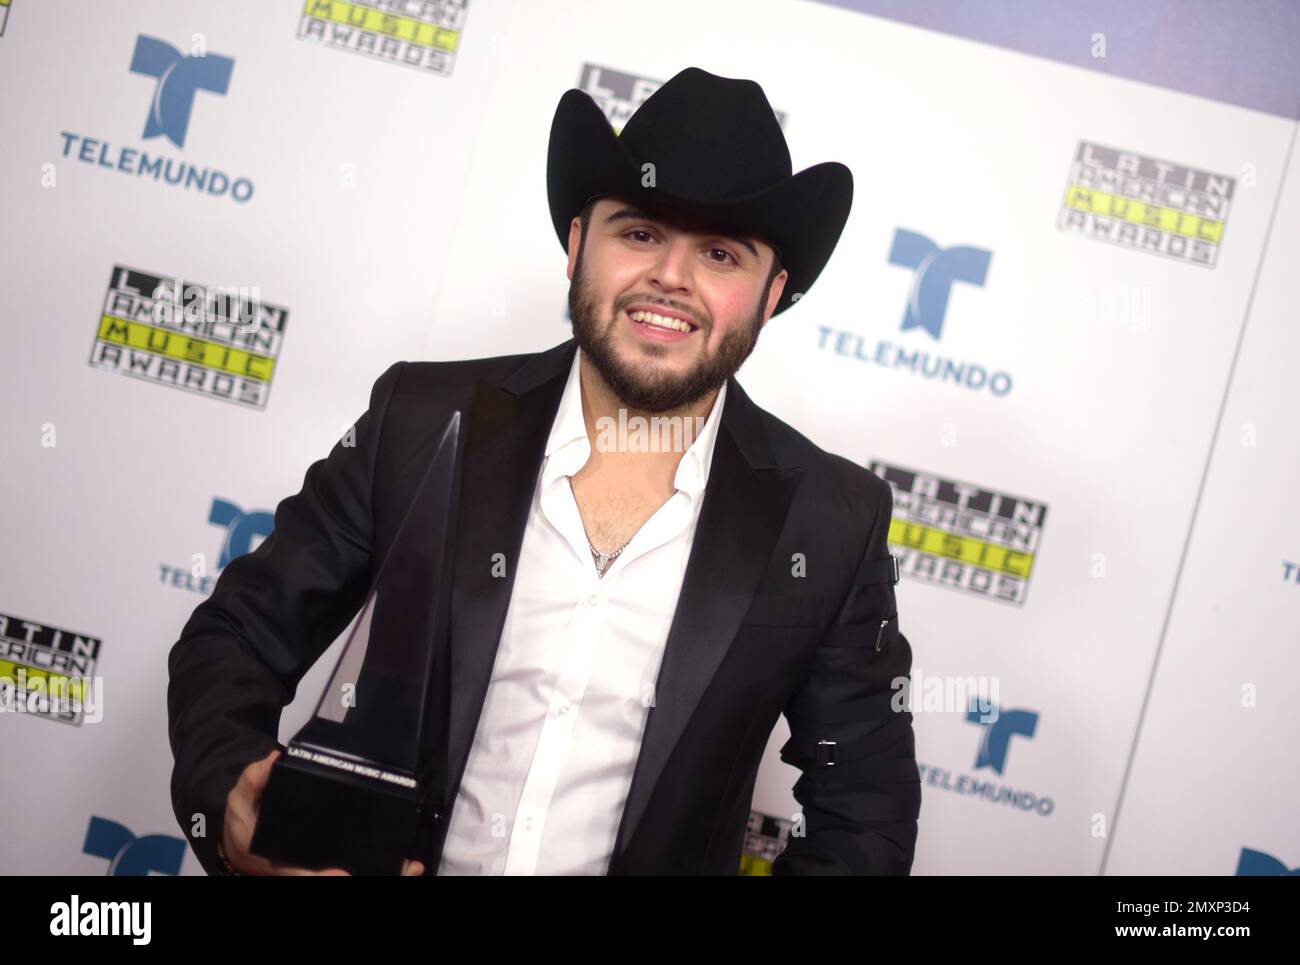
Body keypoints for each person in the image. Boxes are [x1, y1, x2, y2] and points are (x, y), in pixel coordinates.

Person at [167, 66, 920, 876]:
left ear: (772, 294)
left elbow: (865, 813)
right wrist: (231, 797)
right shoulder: (420, 418)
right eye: (638, 232)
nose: (670, 275)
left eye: (720, 253)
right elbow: (237, 636)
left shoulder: (830, 517)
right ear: (576, 246)